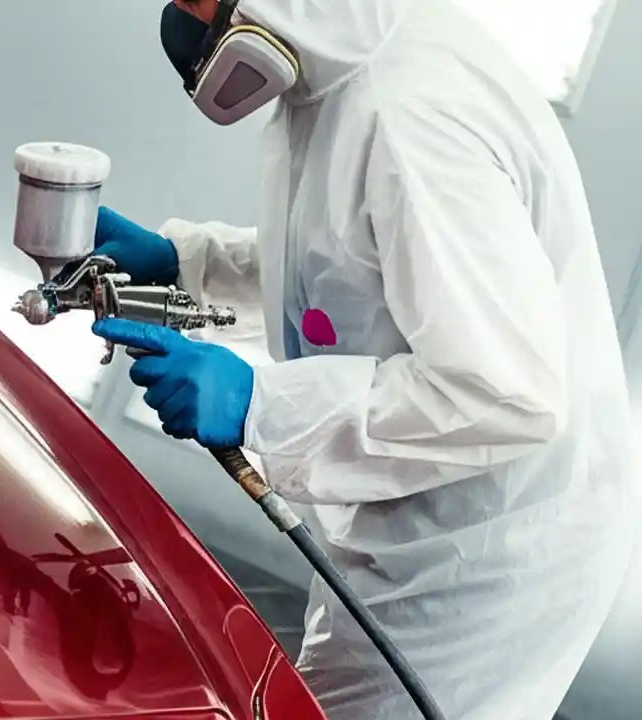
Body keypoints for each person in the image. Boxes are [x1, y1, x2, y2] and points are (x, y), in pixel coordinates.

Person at [88, 1, 639, 718]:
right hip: (416, 514)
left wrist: (260, 403)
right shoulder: (332, 73)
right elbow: (346, 264)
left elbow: (506, 390)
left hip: (483, 555)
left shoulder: (410, 112)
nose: (183, 19)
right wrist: (187, 263)